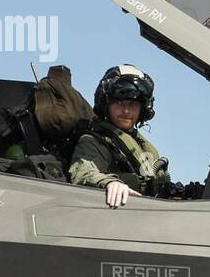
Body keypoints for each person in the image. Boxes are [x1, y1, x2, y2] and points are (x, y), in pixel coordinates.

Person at [69, 64, 170, 208]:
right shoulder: (93, 141)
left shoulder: (140, 144)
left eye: (133, 104)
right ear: (106, 104)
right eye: (119, 102)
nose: (127, 110)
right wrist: (111, 183)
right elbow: (83, 173)